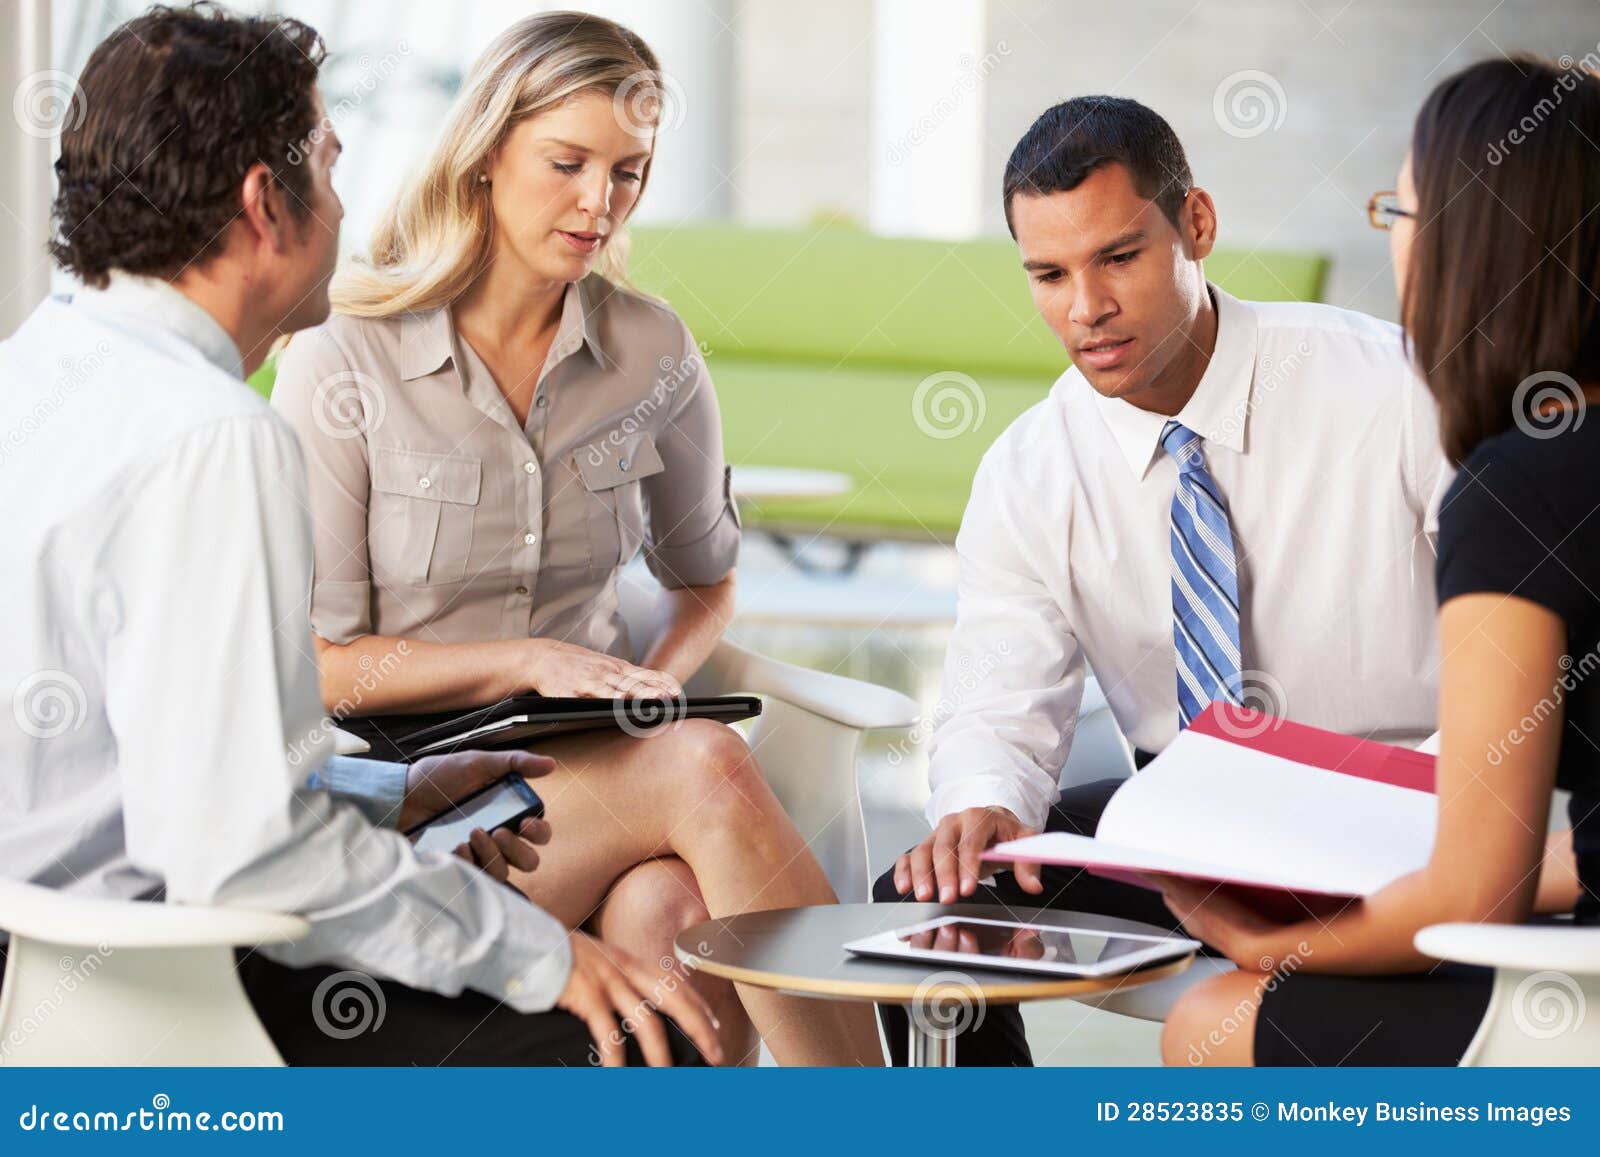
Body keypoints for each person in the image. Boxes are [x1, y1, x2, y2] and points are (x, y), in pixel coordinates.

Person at [0, 3, 720, 1068]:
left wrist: (391, 789)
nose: (344, 204)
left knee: (650, 929)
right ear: (264, 203)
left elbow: (157, 760)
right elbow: (243, 853)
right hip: (188, 985)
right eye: (328, 168)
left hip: (52, 967)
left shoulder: (41, 367)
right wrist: (540, 957)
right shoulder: (213, 435)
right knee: (646, 1031)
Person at [871, 94, 1580, 1064]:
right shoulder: (1031, 467)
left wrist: (1408, 817)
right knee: (932, 899)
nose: (1086, 308)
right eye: (1048, 273)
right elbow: (1000, 690)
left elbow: (1524, 647)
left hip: (1413, 812)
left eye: (1118, 257)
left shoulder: (1393, 387)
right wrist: (984, 800)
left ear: (1194, 224)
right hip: (1192, 834)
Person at [269, 10, 881, 1067]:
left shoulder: (651, 351)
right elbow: (320, 670)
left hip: (602, 780)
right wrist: (527, 661)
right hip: (424, 802)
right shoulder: (343, 353)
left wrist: (649, 686)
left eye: (629, 171)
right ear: (485, 155)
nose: (599, 202)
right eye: (567, 162)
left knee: (672, 905)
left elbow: (706, 581)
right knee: (711, 770)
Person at [1158, 54, 1600, 1067]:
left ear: (1469, 247)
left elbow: (1471, 892)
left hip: (1576, 1020)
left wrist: (1276, 942)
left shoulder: (1519, 491)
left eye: (1399, 216)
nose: (1397, 245)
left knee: (1209, 1015)